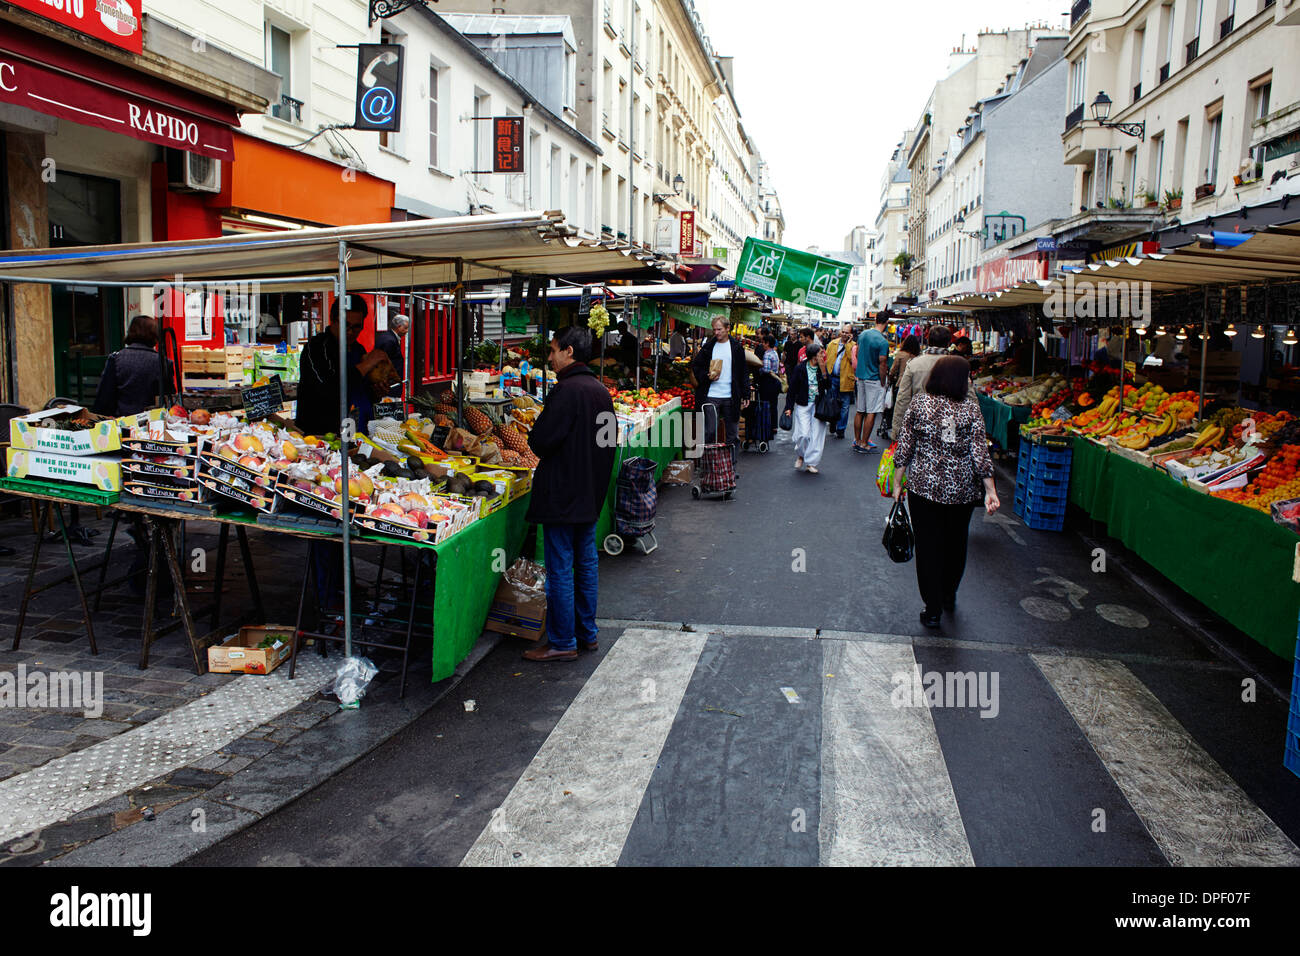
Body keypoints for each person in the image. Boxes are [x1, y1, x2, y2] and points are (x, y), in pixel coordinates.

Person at [523, 326, 617, 663]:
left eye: (553, 350)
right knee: (586, 564)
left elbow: (541, 442)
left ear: (569, 353)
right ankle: (587, 634)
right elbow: (609, 446)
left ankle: (562, 641)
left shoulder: (566, 391)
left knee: (561, 568)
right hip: (588, 495)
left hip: (562, 496)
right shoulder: (600, 391)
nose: (549, 357)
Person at [893, 355, 999, 629]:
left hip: (923, 488)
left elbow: (905, 446)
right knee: (956, 543)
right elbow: (980, 452)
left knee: (928, 546)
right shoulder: (970, 409)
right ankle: (949, 593)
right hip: (961, 491)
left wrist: (897, 482)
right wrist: (990, 490)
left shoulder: (920, 404)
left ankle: (932, 608)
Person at [296, 295, 388, 437]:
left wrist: (376, 392)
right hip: (324, 436)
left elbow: (361, 390)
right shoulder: (317, 347)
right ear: (333, 320)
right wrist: (367, 365)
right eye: (346, 325)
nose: (351, 332)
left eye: (357, 327)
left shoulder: (359, 350)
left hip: (359, 432)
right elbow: (328, 389)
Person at [690, 315, 750, 465]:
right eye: (714, 329)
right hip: (711, 396)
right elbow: (696, 366)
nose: (716, 332)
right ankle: (708, 466)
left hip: (731, 396)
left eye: (719, 329)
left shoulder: (736, 347)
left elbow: (743, 371)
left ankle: (730, 467)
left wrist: (746, 393)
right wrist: (706, 376)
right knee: (710, 432)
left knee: (733, 435)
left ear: (727, 328)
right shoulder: (709, 346)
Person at [92, 316, 175, 417]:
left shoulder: (116, 359)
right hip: (153, 422)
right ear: (155, 335)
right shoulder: (164, 362)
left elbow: (104, 397)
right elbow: (169, 398)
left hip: (122, 422)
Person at [892, 324, 953, 440]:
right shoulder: (958, 366)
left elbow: (903, 399)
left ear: (928, 340)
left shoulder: (914, 364)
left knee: (920, 453)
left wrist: (897, 429)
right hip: (948, 422)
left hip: (920, 419)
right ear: (948, 343)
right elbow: (970, 400)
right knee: (946, 453)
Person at [789, 339, 830, 474]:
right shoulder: (800, 368)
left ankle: (811, 462)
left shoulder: (821, 367)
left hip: (818, 405)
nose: (823, 354)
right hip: (803, 403)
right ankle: (801, 454)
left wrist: (824, 370)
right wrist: (788, 407)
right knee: (804, 434)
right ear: (814, 355)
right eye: (820, 352)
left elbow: (828, 386)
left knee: (817, 434)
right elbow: (792, 389)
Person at [852, 313, 891, 453]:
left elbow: (857, 353)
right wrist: (883, 381)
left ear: (875, 320)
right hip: (874, 378)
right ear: (886, 322)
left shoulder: (863, 335)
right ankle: (864, 443)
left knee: (860, 410)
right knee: (872, 411)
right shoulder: (883, 342)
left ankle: (857, 440)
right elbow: (882, 363)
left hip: (861, 377)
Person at [880, 333, 921, 440]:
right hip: (915, 385)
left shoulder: (901, 354)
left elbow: (893, 370)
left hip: (901, 384)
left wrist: (889, 378)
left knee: (896, 408)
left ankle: (894, 430)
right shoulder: (918, 357)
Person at [823, 325, 857, 440]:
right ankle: (833, 422)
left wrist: (848, 344)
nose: (844, 334)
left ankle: (841, 429)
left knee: (845, 406)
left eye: (847, 332)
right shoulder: (832, 344)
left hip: (846, 379)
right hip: (833, 378)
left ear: (851, 334)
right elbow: (826, 359)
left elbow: (852, 360)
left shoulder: (854, 346)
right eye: (843, 331)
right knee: (832, 402)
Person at [374, 313, 410, 379]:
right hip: (390, 381)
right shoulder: (390, 341)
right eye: (405, 328)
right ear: (399, 327)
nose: (407, 331)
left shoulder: (388, 336)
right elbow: (385, 363)